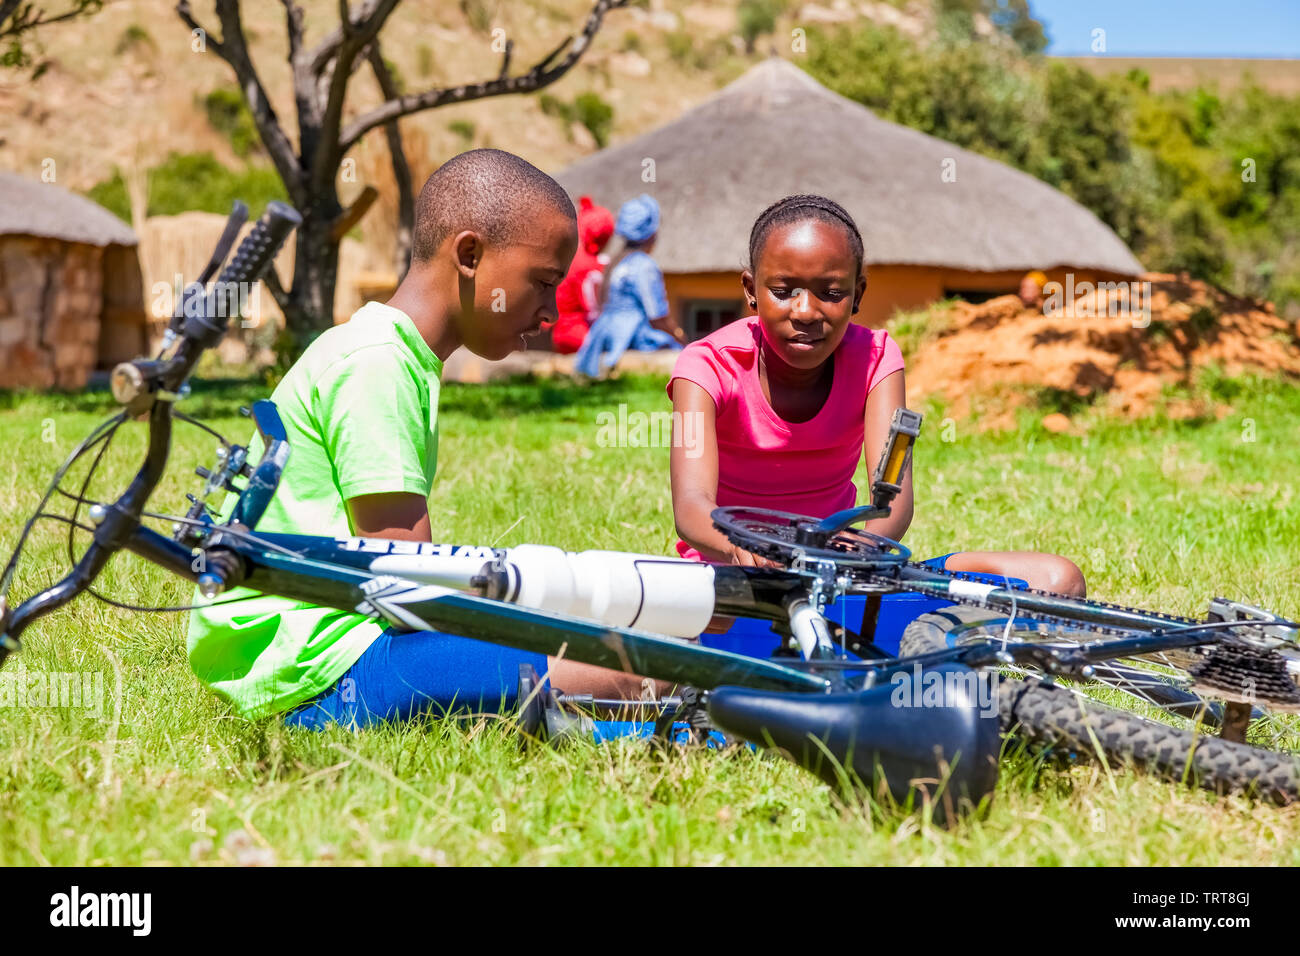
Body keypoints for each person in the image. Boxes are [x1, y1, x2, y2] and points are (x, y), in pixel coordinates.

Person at [188, 149, 662, 730]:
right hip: (328, 672)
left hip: (309, 658)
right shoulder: (379, 365)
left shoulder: (382, 351)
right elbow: (406, 586)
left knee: (596, 667)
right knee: (638, 668)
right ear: (469, 255)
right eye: (542, 282)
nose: (550, 311)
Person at [667, 194, 1086, 595]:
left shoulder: (876, 358)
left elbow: (893, 500)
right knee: (615, 664)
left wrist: (845, 565)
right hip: (728, 579)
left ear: (858, 295)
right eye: (783, 290)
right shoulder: (703, 367)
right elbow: (691, 506)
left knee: (1057, 580)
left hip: (843, 575)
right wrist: (748, 551)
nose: (806, 311)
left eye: (831, 293)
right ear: (750, 290)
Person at [573, 194, 687, 378]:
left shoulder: (615, 263)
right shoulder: (644, 265)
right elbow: (656, 315)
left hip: (603, 332)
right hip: (632, 335)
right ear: (652, 234)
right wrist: (679, 337)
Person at [550, 196, 614, 354]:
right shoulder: (591, 266)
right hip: (577, 331)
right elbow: (593, 309)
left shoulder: (571, 257)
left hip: (561, 330)